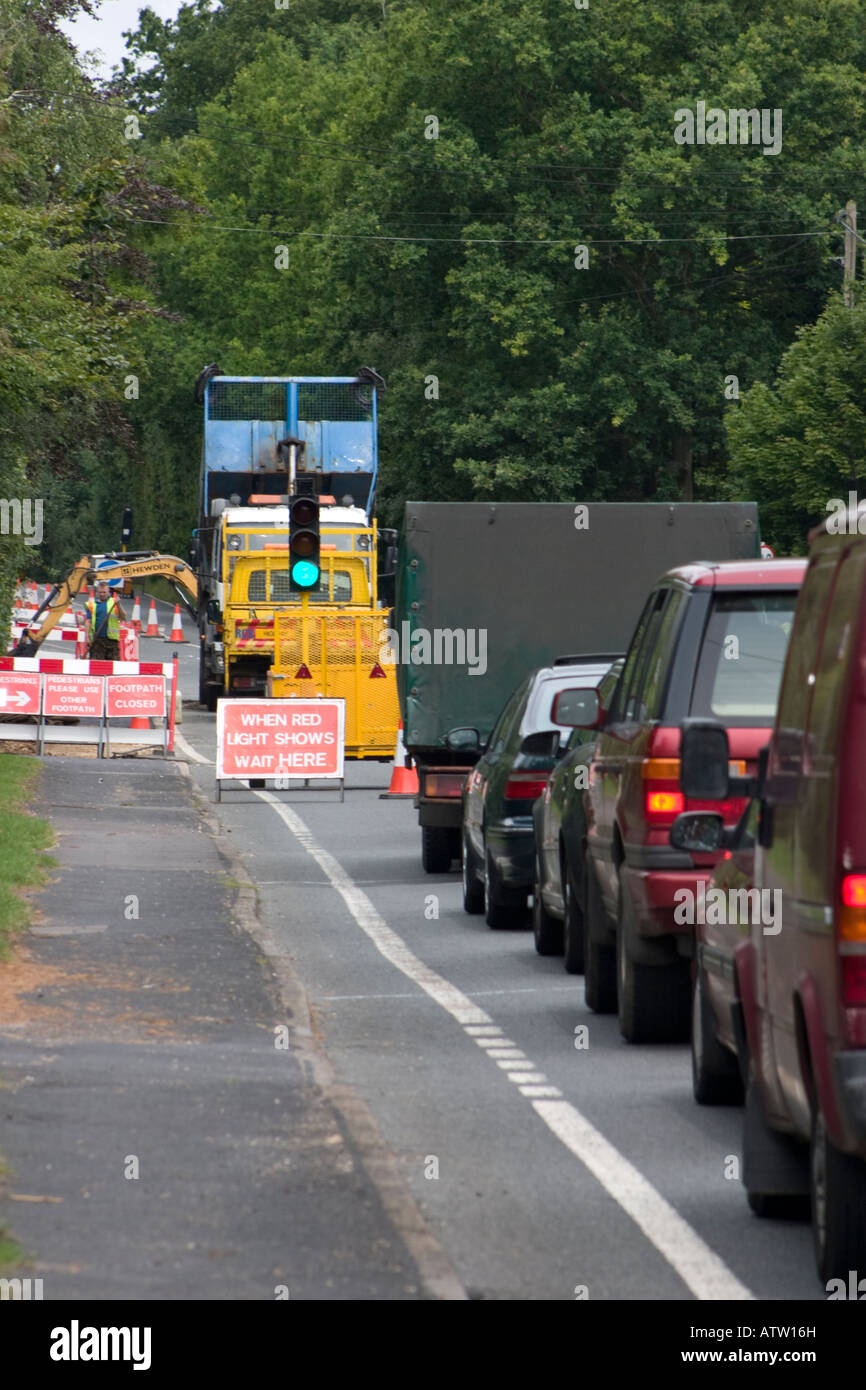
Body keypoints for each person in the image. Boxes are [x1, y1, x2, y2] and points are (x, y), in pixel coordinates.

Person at [85, 580, 127, 661]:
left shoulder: (114, 603)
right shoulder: (91, 605)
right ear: (97, 592)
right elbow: (88, 622)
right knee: (97, 666)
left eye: (104, 592)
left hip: (112, 641)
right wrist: (87, 638)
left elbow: (123, 617)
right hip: (97, 640)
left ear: (108, 592)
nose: (102, 594)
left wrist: (119, 605)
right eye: (100, 592)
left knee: (113, 667)